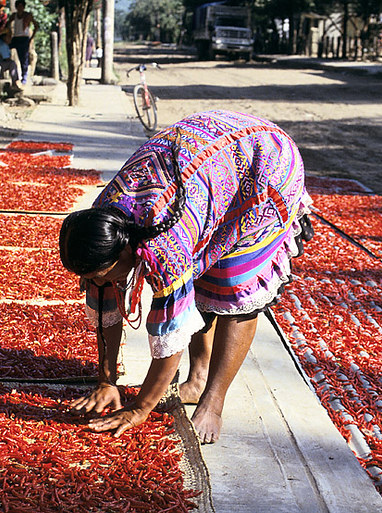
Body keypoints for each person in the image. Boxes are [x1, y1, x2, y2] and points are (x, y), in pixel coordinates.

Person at [59, 110, 315, 443]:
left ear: (126, 253)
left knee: (233, 288)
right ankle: (197, 378)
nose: (101, 283)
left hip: (263, 168)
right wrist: (107, 382)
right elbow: (104, 297)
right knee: (198, 281)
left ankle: (214, 400)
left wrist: (140, 408)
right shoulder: (102, 218)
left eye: (102, 274)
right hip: (211, 164)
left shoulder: (163, 246)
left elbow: (172, 335)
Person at [7, 0, 36, 86]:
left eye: (21, 6)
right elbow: (8, 23)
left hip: (24, 38)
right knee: (6, 48)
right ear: (16, 7)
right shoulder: (14, 16)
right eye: (18, 6)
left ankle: (24, 77)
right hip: (16, 38)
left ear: (23, 7)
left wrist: (31, 38)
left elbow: (36, 26)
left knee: (23, 58)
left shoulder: (27, 15)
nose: (20, 8)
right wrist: (9, 34)